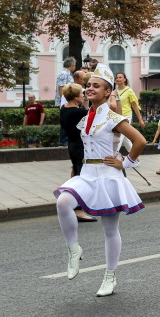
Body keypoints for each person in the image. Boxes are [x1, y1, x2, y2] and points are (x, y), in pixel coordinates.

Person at [53, 64, 146, 296]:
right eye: (88, 86)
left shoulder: (114, 118)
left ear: (107, 92)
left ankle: (110, 276)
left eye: (96, 86)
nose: (89, 89)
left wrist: (125, 163)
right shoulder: (86, 118)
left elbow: (140, 141)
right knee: (63, 202)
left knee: (109, 229)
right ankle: (74, 249)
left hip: (108, 177)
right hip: (86, 174)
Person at [59, 83, 96, 223]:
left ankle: (73, 203)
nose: (84, 95)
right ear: (75, 97)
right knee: (82, 176)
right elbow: (92, 117)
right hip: (80, 147)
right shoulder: (78, 113)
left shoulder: (64, 109)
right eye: (82, 93)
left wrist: (85, 103)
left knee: (76, 172)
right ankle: (78, 210)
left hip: (72, 145)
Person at [111, 72, 145, 154]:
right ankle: (134, 157)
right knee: (125, 138)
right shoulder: (114, 91)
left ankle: (114, 155)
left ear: (125, 79)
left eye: (120, 77)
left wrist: (140, 119)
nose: (118, 79)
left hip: (126, 116)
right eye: (117, 77)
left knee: (120, 136)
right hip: (117, 115)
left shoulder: (129, 91)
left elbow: (135, 106)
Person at [56, 57, 76, 146]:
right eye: (74, 65)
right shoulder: (64, 74)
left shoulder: (66, 73)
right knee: (66, 121)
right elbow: (61, 88)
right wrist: (64, 101)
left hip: (66, 101)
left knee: (69, 121)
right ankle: (63, 140)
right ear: (72, 65)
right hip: (65, 101)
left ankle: (65, 139)